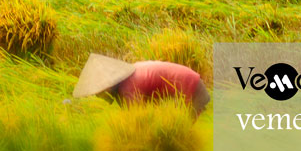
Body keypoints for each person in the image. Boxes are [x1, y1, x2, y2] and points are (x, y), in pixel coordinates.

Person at [72, 54, 210, 119]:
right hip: (192, 87)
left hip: (193, 91)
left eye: (99, 91)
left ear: (109, 85)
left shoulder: (129, 88)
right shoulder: (128, 79)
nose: (98, 96)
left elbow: (139, 121)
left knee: (181, 137)